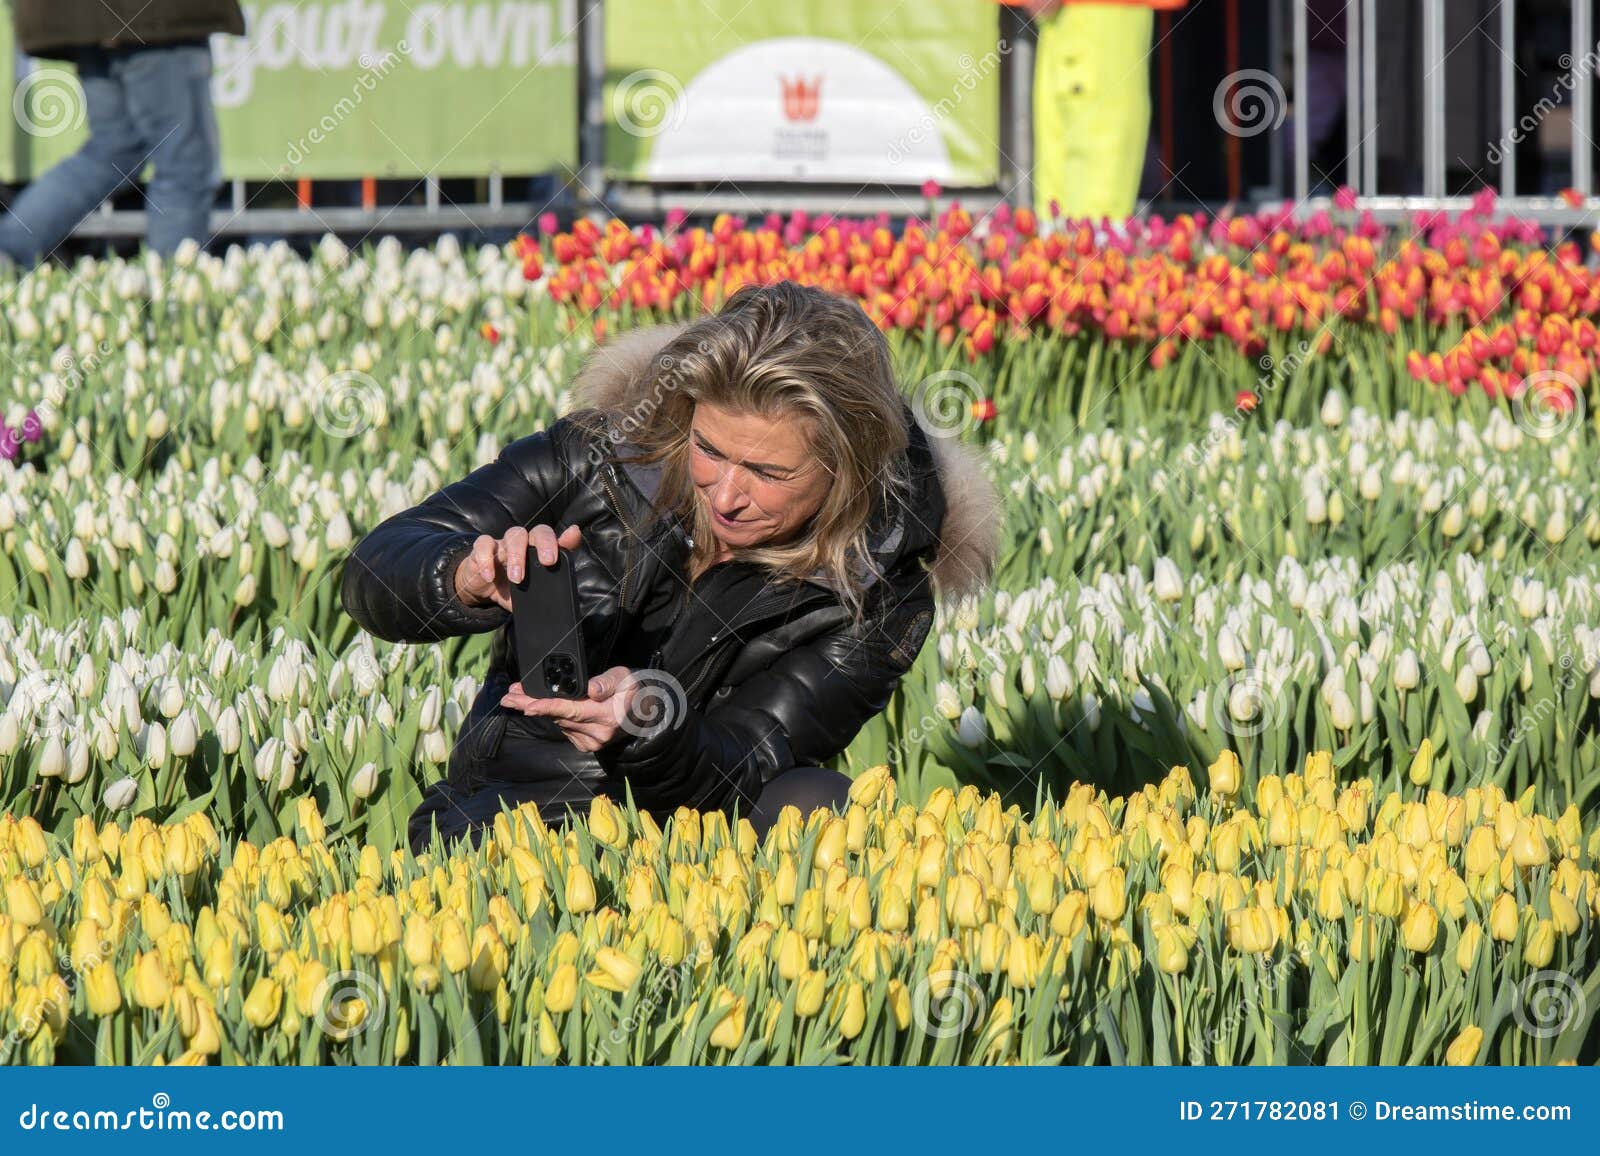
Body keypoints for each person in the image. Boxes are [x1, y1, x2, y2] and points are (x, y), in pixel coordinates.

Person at [340, 282, 1000, 855]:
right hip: (519, 800)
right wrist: (462, 576)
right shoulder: (600, 459)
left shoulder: (879, 586)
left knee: (818, 804)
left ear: (845, 469)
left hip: (705, 830)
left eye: (767, 473)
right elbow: (374, 568)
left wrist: (647, 724)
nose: (726, 494)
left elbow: (752, 756)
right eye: (708, 449)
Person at [0, 1, 246, 266]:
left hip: (87, 19)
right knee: (185, 165)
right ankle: (172, 282)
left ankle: (9, 250)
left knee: (113, 150)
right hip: (153, 19)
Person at [1006, 0, 1185, 224]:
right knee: (1067, 168)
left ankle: (1085, 236)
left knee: (1096, 186)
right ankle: (1068, 236)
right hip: (1081, 18)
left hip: (1100, 16)